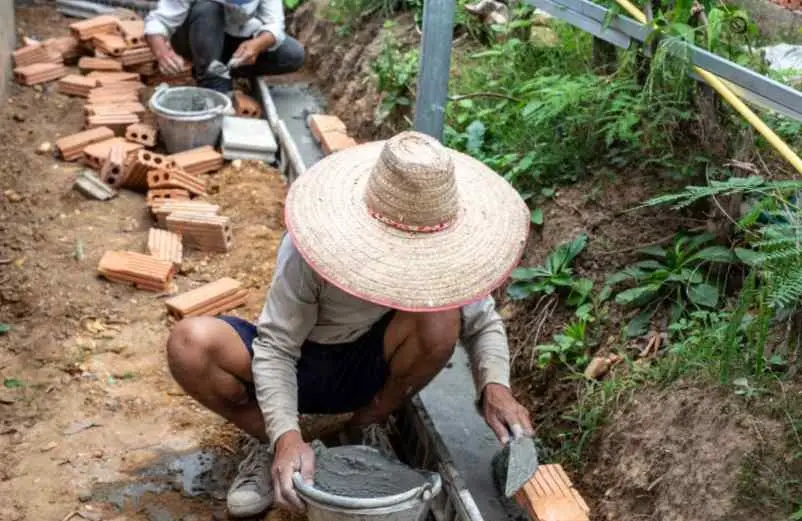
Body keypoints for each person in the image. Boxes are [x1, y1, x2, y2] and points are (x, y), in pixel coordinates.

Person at [165, 131, 535, 517]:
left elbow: (483, 322)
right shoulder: (314, 244)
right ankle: (277, 447)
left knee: (441, 319)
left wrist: (496, 386)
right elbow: (276, 348)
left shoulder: (448, 253)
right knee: (190, 344)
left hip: (370, 368)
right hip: (301, 362)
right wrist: (285, 436)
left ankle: (363, 428)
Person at [144, 0, 305, 94]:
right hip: (197, 35)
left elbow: (275, 23)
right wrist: (161, 51)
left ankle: (221, 68)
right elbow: (159, 19)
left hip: (236, 37)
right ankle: (211, 79)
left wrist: (257, 44)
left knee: (292, 55)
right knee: (208, 9)